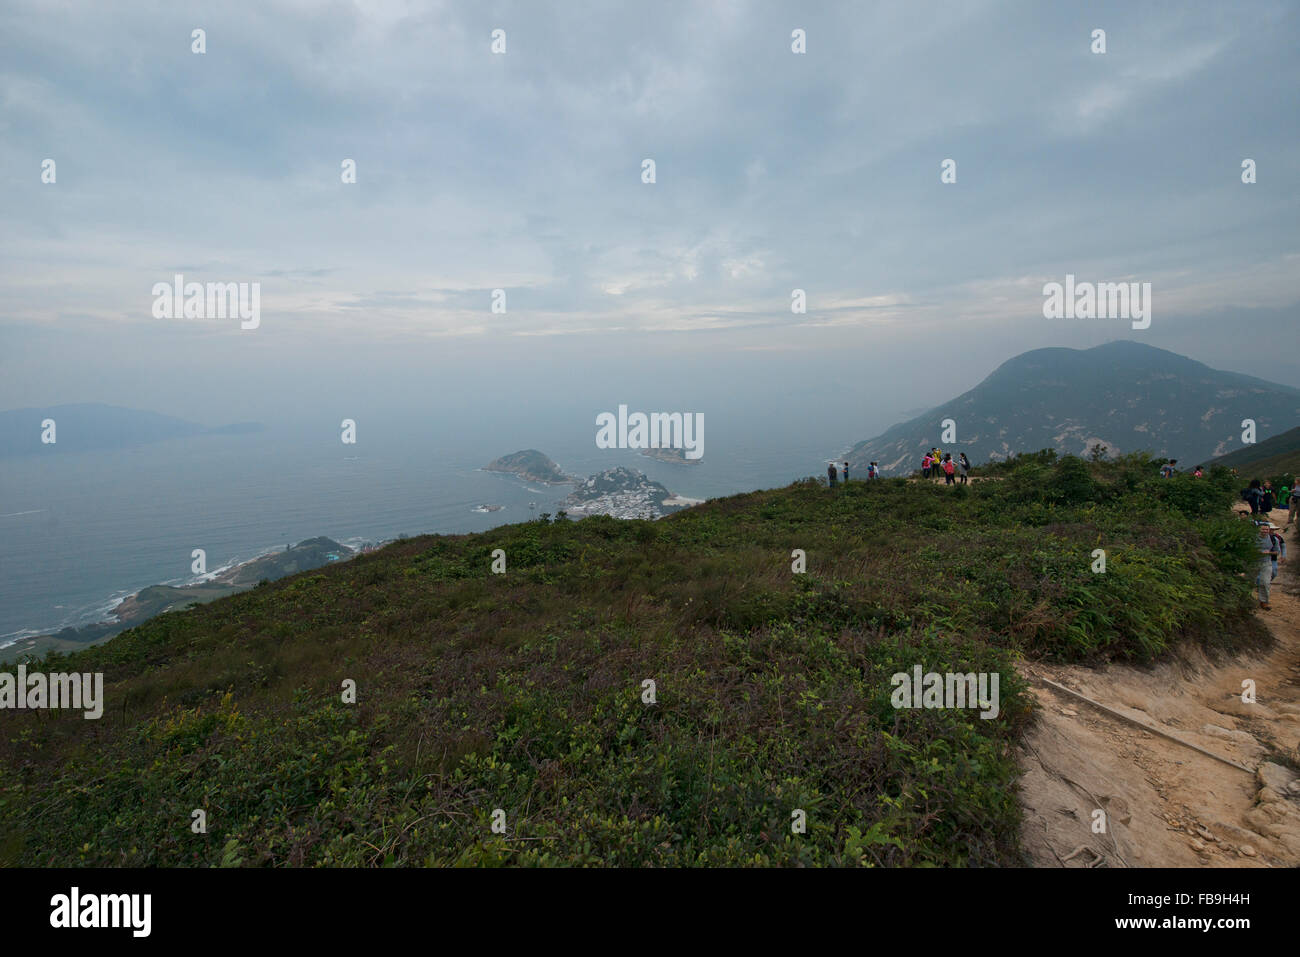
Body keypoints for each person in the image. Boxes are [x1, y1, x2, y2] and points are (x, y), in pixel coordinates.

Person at [1256, 520, 1279, 609]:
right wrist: (1259, 552)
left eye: (1266, 530)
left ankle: (1264, 602)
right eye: (1263, 529)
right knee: (1249, 581)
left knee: (1265, 582)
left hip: (1266, 562)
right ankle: (1245, 599)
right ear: (1259, 529)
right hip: (1253, 562)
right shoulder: (1253, 538)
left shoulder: (1274, 539)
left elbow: (1277, 552)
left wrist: (1269, 552)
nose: (1265, 531)